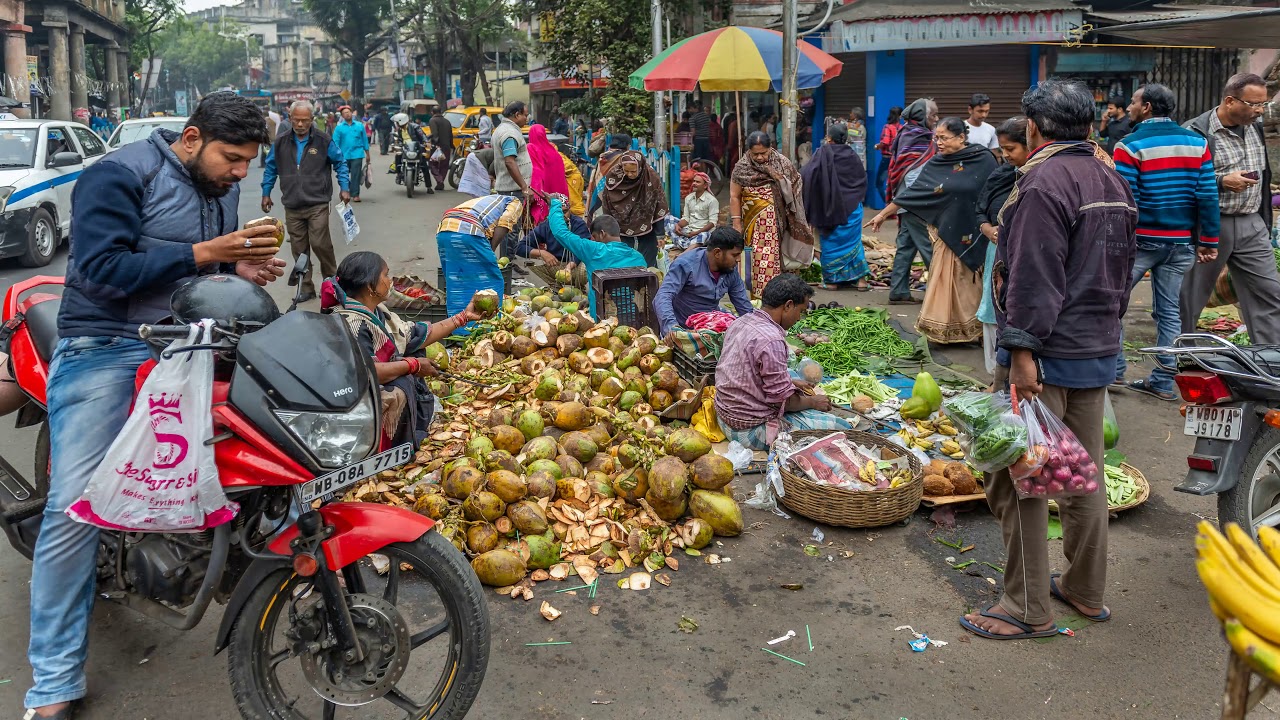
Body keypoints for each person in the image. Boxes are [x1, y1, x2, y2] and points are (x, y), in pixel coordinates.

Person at [25, 91, 284, 720]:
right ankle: (54, 680)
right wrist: (209, 255)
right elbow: (101, 268)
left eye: (249, 162)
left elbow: (200, 273)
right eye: (232, 157)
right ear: (191, 138)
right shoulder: (114, 174)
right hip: (106, 345)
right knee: (72, 507)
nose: (240, 173)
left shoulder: (222, 186)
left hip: (192, 340)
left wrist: (243, 270)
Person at [961, 79, 1137, 641]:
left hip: (1045, 353)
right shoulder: (1110, 176)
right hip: (1096, 347)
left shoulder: (1041, 182)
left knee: (1022, 478)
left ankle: (1026, 607)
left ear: (1034, 128)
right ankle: (1084, 590)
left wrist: (1020, 350)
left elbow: (1034, 277)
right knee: (1082, 476)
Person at [1112, 83, 1220, 400]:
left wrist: (1117, 245)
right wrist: (1208, 241)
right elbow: (1207, 195)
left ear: (1146, 107)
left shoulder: (1129, 145)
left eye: (1133, 102)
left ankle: (1114, 372)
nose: (1129, 107)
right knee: (1169, 312)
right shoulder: (1197, 143)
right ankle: (1162, 382)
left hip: (1142, 242)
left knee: (1111, 306)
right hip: (1181, 243)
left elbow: (1126, 201)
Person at [323, 252, 483, 447]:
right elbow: (367, 372)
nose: (390, 281)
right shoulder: (353, 323)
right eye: (385, 275)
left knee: (413, 352)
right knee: (403, 376)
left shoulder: (378, 312)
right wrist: (413, 365)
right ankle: (389, 447)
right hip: (354, 401)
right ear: (369, 286)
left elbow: (415, 335)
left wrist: (464, 317)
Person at [871, 117, 997, 344]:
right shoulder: (936, 163)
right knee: (945, 281)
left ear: (961, 137)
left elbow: (994, 192)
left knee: (971, 284)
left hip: (976, 231)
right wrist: (882, 214)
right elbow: (913, 193)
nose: (938, 142)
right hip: (946, 233)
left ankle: (974, 331)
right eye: (936, 137)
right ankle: (944, 332)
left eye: (944, 138)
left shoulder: (983, 159)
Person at [1182, 72, 1280, 345]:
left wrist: (1263, 220)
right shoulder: (1197, 132)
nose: (1260, 111)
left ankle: (1270, 364)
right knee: (1189, 297)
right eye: (1254, 104)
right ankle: (1183, 360)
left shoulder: (1255, 127)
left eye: (1263, 104)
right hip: (1210, 226)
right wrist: (1222, 181)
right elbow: (1184, 181)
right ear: (1230, 101)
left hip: (1252, 223)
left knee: (1268, 293)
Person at [714, 274, 852, 450]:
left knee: (791, 376)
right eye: (800, 311)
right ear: (788, 305)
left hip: (724, 416)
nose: (799, 319)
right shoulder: (772, 340)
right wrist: (813, 402)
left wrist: (791, 383)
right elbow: (782, 402)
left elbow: (746, 371)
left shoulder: (741, 322)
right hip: (749, 430)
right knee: (841, 428)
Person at [262, 100, 349, 302]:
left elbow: (340, 163)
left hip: (317, 202)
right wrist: (266, 192)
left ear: (311, 120)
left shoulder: (323, 140)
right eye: (296, 120)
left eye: (305, 120)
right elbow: (270, 168)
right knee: (299, 249)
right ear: (290, 118)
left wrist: (344, 188)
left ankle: (332, 283)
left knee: (320, 244)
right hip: (292, 204)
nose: (300, 124)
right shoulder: (281, 141)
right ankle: (306, 287)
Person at [976, 117, 1030, 374]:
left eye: (1011, 149)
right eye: (1002, 149)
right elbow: (980, 211)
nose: (1005, 155)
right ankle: (995, 374)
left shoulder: (1037, 179)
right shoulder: (1000, 176)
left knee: (1016, 311)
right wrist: (987, 229)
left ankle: (1011, 377)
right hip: (995, 254)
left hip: (1023, 257)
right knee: (993, 308)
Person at [730, 131, 814, 296]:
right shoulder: (742, 167)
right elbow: (734, 196)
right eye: (756, 154)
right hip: (752, 222)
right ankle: (762, 298)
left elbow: (796, 184)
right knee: (758, 258)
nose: (760, 158)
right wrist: (736, 223)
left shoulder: (782, 163)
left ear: (771, 148)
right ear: (749, 151)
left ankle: (779, 299)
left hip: (779, 221)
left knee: (776, 257)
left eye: (763, 153)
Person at [543, 194, 646, 318]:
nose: (594, 241)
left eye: (595, 238)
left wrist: (555, 205)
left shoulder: (595, 250)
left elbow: (560, 232)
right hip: (635, 321)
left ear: (602, 234)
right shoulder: (638, 257)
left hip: (603, 324)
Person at [885, 98, 940, 304]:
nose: (936, 119)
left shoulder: (908, 133)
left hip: (906, 201)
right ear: (921, 117)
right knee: (929, 247)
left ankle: (898, 291)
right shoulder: (918, 136)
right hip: (916, 202)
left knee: (906, 247)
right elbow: (911, 174)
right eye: (933, 115)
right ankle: (941, 293)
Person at [654, 226, 753, 340]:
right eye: (735, 255)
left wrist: (754, 327)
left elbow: (744, 306)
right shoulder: (686, 264)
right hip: (684, 330)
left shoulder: (730, 270)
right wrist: (672, 328)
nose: (739, 259)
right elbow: (663, 296)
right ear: (717, 253)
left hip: (711, 329)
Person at [803, 122, 869, 290]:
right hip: (853, 208)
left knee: (830, 242)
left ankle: (831, 281)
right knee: (854, 245)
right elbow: (862, 181)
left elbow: (808, 174)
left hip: (830, 209)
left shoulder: (823, 153)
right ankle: (861, 281)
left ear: (829, 138)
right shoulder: (853, 155)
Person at [437, 194, 524, 321]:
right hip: (469, 229)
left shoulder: (491, 200)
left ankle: (456, 326)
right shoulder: (516, 202)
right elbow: (505, 223)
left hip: (444, 230)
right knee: (493, 281)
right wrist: (491, 250)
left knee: (457, 282)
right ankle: (488, 327)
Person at [600, 150, 668, 267]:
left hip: (646, 228)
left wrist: (660, 234)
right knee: (623, 261)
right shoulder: (614, 177)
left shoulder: (651, 178)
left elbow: (659, 205)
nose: (629, 175)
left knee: (648, 263)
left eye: (633, 171)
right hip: (621, 228)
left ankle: (647, 283)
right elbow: (607, 202)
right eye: (626, 171)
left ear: (640, 168)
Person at [513, 196, 588, 266]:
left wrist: (569, 267)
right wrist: (542, 253)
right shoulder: (546, 225)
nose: (561, 216)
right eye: (557, 213)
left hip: (578, 264)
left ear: (569, 210)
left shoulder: (579, 224)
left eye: (565, 212)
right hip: (555, 264)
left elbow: (584, 249)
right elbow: (519, 247)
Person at [663, 171, 719, 253]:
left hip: (702, 232)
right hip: (689, 230)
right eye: (694, 181)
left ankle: (686, 251)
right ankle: (688, 245)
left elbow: (712, 223)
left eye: (698, 182)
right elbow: (686, 218)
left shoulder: (712, 200)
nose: (694, 184)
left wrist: (696, 233)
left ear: (705, 185)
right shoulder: (689, 198)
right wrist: (678, 225)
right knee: (668, 218)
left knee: (705, 236)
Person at [527, 123, 570, 224]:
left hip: (542, 195)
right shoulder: (554, 152)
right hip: (558, 198)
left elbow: (533, 172)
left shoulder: (531, 148)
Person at [493, 101, 533, 201]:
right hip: (513, 192)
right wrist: (524, 187)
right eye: (525, 115)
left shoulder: (503, 129)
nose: (527, 119)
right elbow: (509, 162)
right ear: (517, 115)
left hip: (512, 190)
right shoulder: (509, 133)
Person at [332, 105, 369, 203]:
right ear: (342, 116)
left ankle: (355, 194)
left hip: (357, 154)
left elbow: (365, 140)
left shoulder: (359, 125)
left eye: (348, 112)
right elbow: (335, 142)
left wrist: (367, 154)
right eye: (344, 113)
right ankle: (344, 191)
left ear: (352, 113)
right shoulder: (339, 128)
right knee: (343, 175)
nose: (347, 114)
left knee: (356, 175)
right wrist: (335, 155)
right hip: (343, 155)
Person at [389, 112, 432, 194]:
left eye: (398, 122)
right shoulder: (400, 130)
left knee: (424, 167)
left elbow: (422, 135)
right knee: (397, 158)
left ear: (401, 121)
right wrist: (396, 144)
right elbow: (399, 139)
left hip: (416, 148)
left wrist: (426, 142)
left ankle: (429, 187)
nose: (397, 124)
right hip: (405, 148)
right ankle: (398, 174)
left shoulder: (415, 126)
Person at [873, 105, 902, 197]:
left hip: (887, 159)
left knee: (879, 184)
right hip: (898, 159)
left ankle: (887, 205)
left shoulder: (888, 127)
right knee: (895, 184)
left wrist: (877, 146)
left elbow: (885, 142)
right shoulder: (902, 128)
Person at [428, 106, 454, 191]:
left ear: (432, 112)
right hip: (446, 146)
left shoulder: (432, 120)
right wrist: (451, 145)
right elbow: (450, 135)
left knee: (432, 164)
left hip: (437, 146)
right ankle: (441, 181)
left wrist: (433, 142)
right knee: (444, 165)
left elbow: (435, 134)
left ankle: (439, 180)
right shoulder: (447, 121)